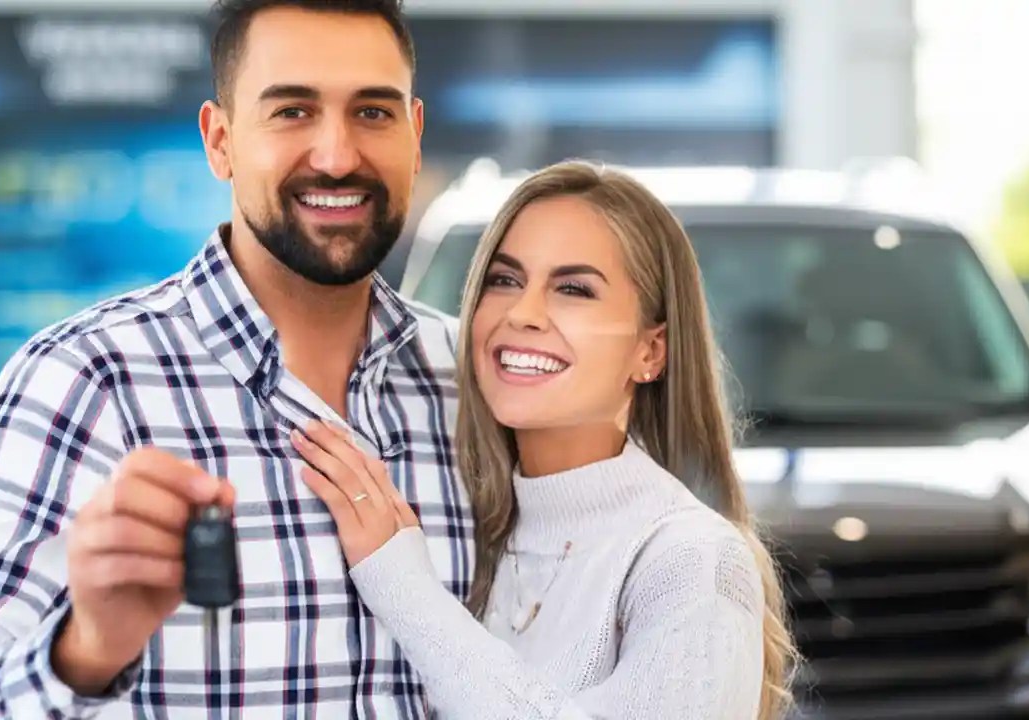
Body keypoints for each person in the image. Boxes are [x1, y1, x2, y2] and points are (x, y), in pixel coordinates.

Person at [0, 1, 474, 717]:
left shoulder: (474, 382)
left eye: (372, 113)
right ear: (220, 141)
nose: (337, 156)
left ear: (414, 135)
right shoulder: (87, 381)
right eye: (292, 112)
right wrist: (83, 650)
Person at [292, 161, 798, 719]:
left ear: (650, 351)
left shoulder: (691, 560)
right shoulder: (470, 527)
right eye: (504, 280)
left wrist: (403, 587)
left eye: (574, 289)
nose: (523, 313)